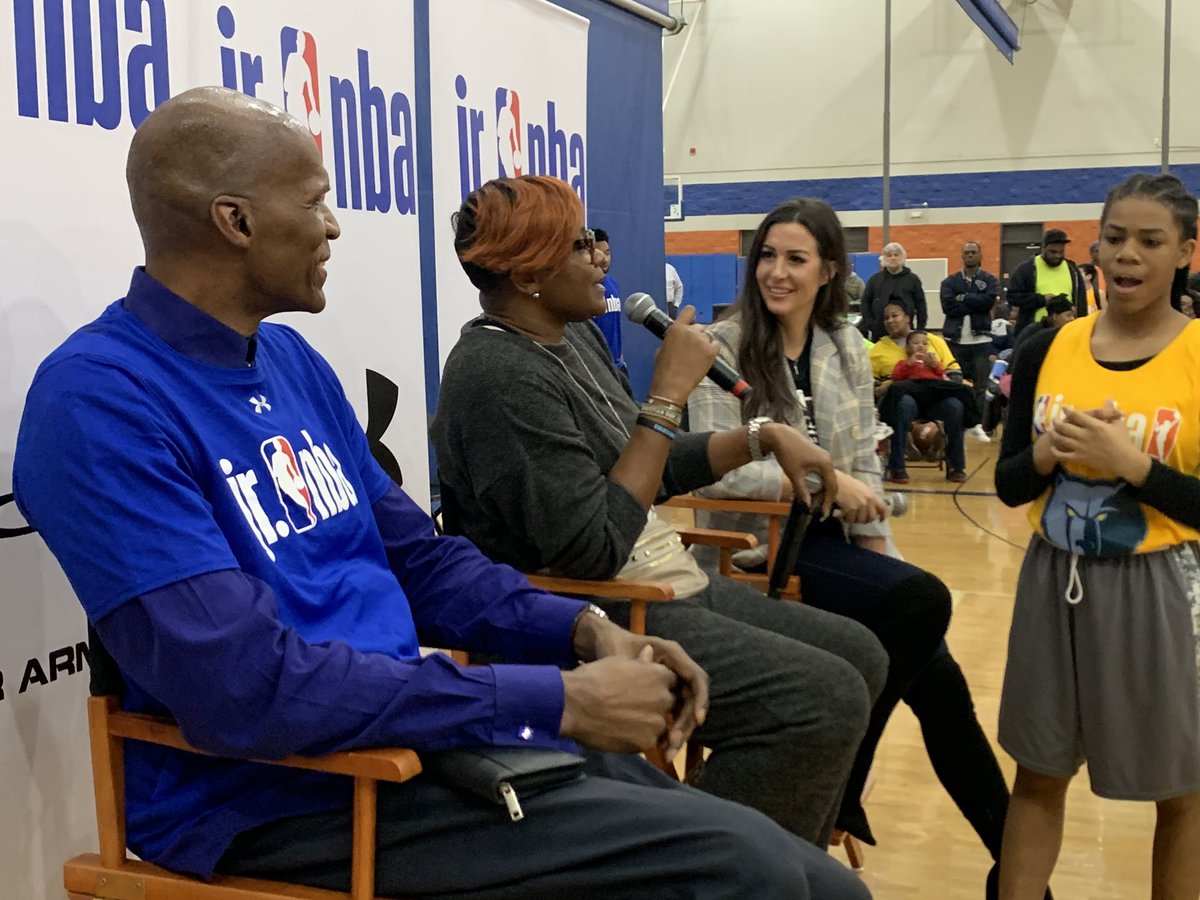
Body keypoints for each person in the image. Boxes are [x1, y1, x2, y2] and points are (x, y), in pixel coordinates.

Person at [12, 88, 872, 900]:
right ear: (234, 222)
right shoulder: (99, 402)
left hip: (409, 739)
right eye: (314, 203)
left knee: (821, 882)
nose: (334, 226)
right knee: (745, 870)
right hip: (279, 798)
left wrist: (582, 630)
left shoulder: (290, 364)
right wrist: (556, 697)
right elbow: (244, 687)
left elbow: (421, 564)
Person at [432, 175, 891, 858]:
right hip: (594, 608)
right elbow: (590, 545)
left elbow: (649, 466)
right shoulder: (496, 375)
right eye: (579, 245)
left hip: (654, 577)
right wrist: (668, 393)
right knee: (820, 698)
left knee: (863, 654)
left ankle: (782, 858)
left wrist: (761, 436)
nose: (600, 256)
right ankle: (702, 861)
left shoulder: (573, 337)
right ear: (528, 275)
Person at [690, 197, 1017, 897]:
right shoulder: (721, 345)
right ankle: (853, 787)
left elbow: (866, 463)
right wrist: (825, 482)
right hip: (765, 544)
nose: (776, 271)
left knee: (941, 677)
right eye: (768, 256)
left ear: (828, 269)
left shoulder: (841, 342)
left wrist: (873, 537)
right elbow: (717, 464)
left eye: (795, 259)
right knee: (925, 607)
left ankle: (1015, 877)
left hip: (837, 539)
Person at [996, 172, 1200, 899]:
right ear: (1095, 248)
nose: (1128, 255)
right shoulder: (1045, 348)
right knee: (1038, 770)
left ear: (1185, 253)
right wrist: (1048, 454)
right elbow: (1010, 484)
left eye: (1150, 240)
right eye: (1115, 238)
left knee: (1181, 790)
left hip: (1163, 586)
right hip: (1053, 578)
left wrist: (1136, 467)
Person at [870, 299, 975, 483]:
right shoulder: (877, 349)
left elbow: (954, 372)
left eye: (895, 316)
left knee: (955, 406)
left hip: (935, 396)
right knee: (903, 404)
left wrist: (939, 371)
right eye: (886, 318)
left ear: (908, 318)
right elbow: (870, 386)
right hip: (902, 398)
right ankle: (897, 468)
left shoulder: (934, 341)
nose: (890, 321)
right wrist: (883, 387)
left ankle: (956, 466)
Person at [941, 240, 1000, 438]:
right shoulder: (949, 282)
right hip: (955, 341)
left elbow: (988, 302)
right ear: (962, 256)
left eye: (974, 252)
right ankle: (957, 424)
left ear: (981, 256)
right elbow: (948, 307)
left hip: (981, 341)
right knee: (955, 384)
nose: (970, 255)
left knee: (981, 387)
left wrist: (962, 297)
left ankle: (979, 426)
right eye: (967, 252)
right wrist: (975, 299)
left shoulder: (990, 280)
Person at [1007, 229, 1087, 335]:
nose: (1057, 256)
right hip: (1035, 333)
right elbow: (1013, 296)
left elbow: (1081, 302)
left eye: (1061, 252)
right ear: (1043, 248)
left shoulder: (1072, 270)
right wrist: (1041, 299)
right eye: (1053, 252)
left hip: (1068, 332)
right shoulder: (1028, 269)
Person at [858, 241, 927, 339]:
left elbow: (921, 305)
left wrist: (920, 329)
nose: (893, 258)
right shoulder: (875, 279)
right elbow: (865, 302)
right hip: (879, 333)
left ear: (902, 257)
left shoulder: (913, 279)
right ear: (884, 259)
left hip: (906, 333)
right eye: (889, 255)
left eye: (896, 255)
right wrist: (871, 325)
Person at [590, 227, 625, 371]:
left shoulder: (613, 284)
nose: (605, 259)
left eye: (608, 253)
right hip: (598, 367)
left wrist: (621, 358)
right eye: (599, 253)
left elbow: (615, 328)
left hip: (617, 365)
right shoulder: (585, 290)